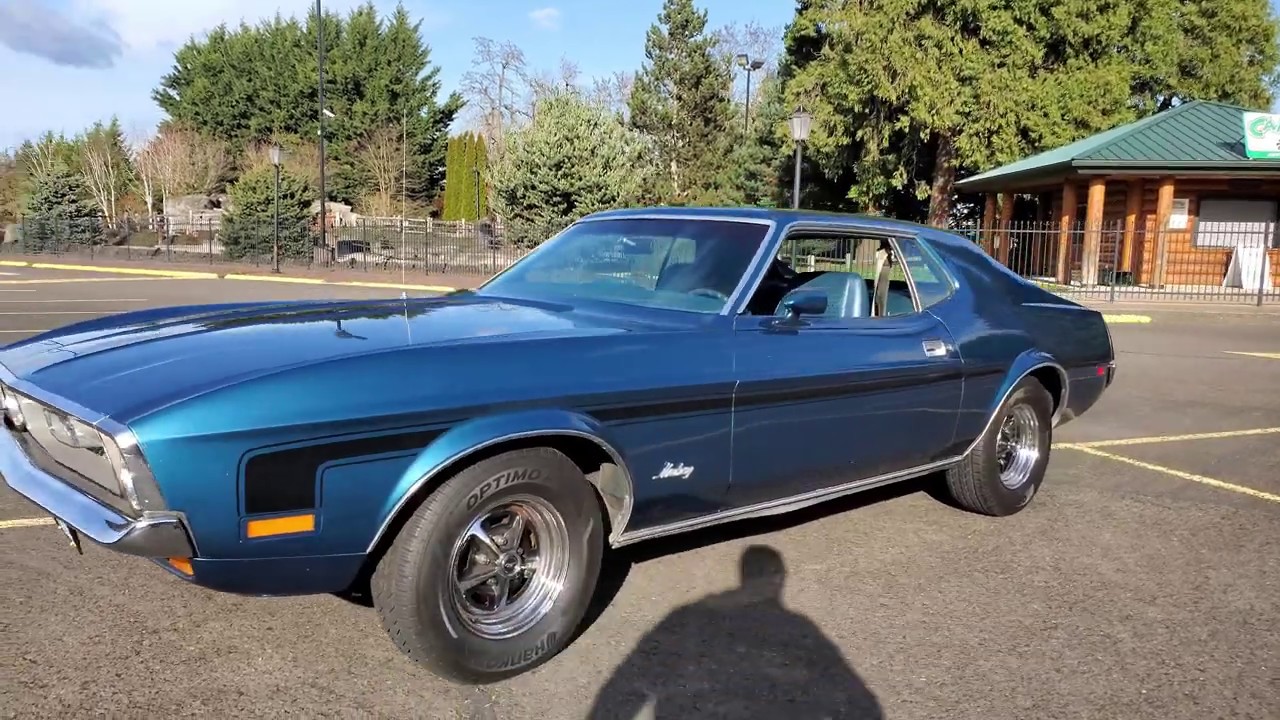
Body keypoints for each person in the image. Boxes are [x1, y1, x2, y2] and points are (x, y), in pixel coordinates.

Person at [589, 545, 884, 720]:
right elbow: (856, 696)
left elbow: (630, 678)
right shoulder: (797, 628)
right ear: (778, 580)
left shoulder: (687, 617)